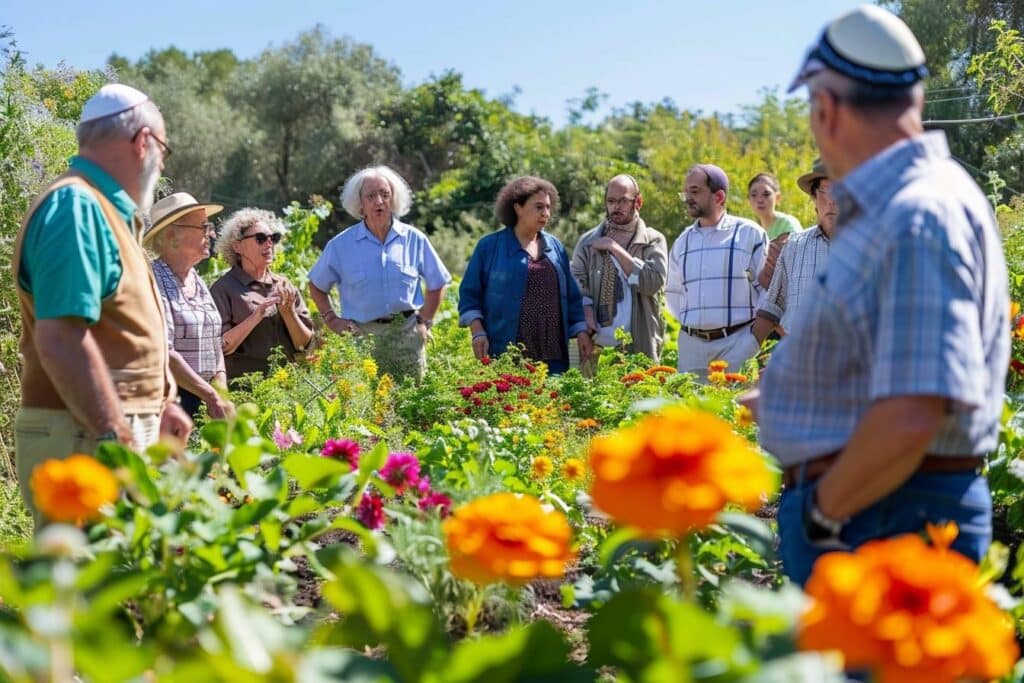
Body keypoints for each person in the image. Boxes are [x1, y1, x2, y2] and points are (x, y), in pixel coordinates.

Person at [757, 5, 1009, 587]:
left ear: (826, 109)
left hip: (883, 518)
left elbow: (915, 409)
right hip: (882, 508)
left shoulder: (915, 214)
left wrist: (821, 513)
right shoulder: (906, 206)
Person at [12, 83, 192, 527]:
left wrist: (162, 403)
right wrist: (116, 436)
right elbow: (62, 339)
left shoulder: (106, 210)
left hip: (103, 429)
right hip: (86, 435)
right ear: (144, 142)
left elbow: (119, 333)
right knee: (86, 588)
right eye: (163, 149)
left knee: (122, 586)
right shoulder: (77, 206)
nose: (161, 161)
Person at [308, 166, 450, 381]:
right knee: (364, 405)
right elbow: (317, 285)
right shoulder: (340, 246)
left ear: (393, 200)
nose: (379, 201)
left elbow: (437, 281)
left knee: (409, 404)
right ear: (360, 204)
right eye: (371, 196)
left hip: (407, 335)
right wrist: (332, 319)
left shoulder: (414, 239)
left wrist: (425, 321)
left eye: (385, 194)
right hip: (362, 339)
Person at [459, 176, 592, 373]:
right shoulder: (490, 247)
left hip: (553, 355)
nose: (546, 213)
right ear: (517, 208)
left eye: (548, 207)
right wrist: (477, 332)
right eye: (539, 207)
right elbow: (470, 296)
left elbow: (572, 297)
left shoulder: (555, 247)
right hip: (507, 352)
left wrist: (581, 330)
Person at [665, 164, 767, 380]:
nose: (687, 198)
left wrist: (751, 342)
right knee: (694, 413)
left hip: (737, 344)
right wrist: (695, 324)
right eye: (686, 192)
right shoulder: (682, 241)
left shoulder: (750, 235)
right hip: (691, 350)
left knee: (736, 413)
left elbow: (769, 293)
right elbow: (673, 293)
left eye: (695, 191)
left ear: (719, 196)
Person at [144, 192, 234, 419]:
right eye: (203, 227)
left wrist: (220, 389)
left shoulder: (196, 279)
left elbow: (214, 342)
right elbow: (164, 350)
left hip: (205, 399)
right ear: (173, 235)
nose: (212, 233)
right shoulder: (153, 281)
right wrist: (211, 395)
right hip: (171, 405)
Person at [571, 174, 668, 369]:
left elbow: (652, 283)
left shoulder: (652, 240)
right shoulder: (588, 241)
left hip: (639, 348)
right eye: (611, 201)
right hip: (597, 349)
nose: (616, 206)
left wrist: (615, 248)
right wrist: (586, 312)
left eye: (623, 201)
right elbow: (575, 287)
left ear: (638, 202)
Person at [210, 208, 313, 381]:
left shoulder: (284, 285)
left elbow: (304, 345)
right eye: (260, 239)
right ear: (237, 246)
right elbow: (220, 347)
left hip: (287, 387)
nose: (269, 244)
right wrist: (255, 317)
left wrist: (289, 314)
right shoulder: (223, 289)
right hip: (245, 392)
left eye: (273, 238)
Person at [751, 160, 837, 342]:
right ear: (813, 197)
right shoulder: (794, 246)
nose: (832, 200)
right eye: (825, 191)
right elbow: (772, 308)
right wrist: (744, 353)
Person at [747, 172, 803, 288]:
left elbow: (797, 262)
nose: (760, 200)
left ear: (777, 198)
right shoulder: (752, 230)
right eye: (754, 195)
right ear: (748, 200)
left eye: (766, 194)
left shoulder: (788, 224)